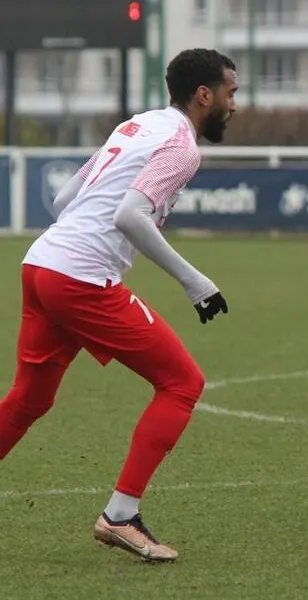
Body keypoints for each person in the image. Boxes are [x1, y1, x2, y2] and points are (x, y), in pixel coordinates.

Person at [0, 48, 237, 562]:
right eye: (230, 93)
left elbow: (64, 200)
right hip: (79, 278)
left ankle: (121, 515)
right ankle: (120, 515)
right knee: (182, 383)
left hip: (40, 265)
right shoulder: (181, 146)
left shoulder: (138, 125)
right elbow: (131, 216)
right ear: (204, 95)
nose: (233, 104)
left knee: (29, 399)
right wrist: (194, 281)